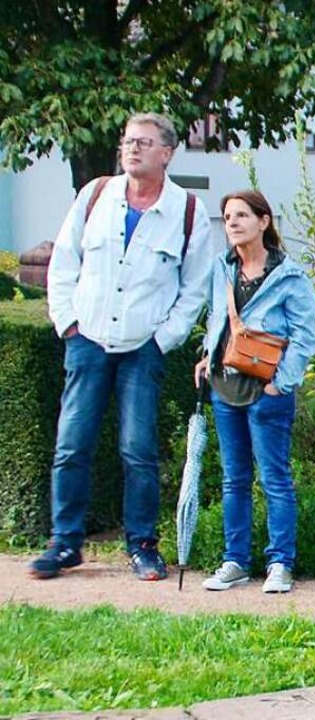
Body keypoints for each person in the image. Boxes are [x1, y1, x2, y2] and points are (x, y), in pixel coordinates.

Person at [31, 112, 212, 581]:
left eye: (144, 143)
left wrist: (162, 341)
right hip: (87, 339)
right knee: (72, 444)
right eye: (128, 141)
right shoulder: (95, 196)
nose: (132, 149)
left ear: (167, 153)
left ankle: (142, 544)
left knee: (138, 449)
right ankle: (65, 543)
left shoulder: (187, 212)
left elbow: (195, 288)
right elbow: (63, 261)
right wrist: (67, 323)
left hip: (141, 347)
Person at [195, 190, 315, 594]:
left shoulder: (290, 276)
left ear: (264, 222)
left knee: (275, 479)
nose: (232, 222)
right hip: (224, 385)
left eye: (242, 215)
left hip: (267, 391)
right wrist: (207, 358)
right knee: (233, 478)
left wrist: (279, 384)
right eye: (228, 216)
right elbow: (218, 317)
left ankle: (280, 562)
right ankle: (235, 561)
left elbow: (304, 338)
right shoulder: (222, 266)